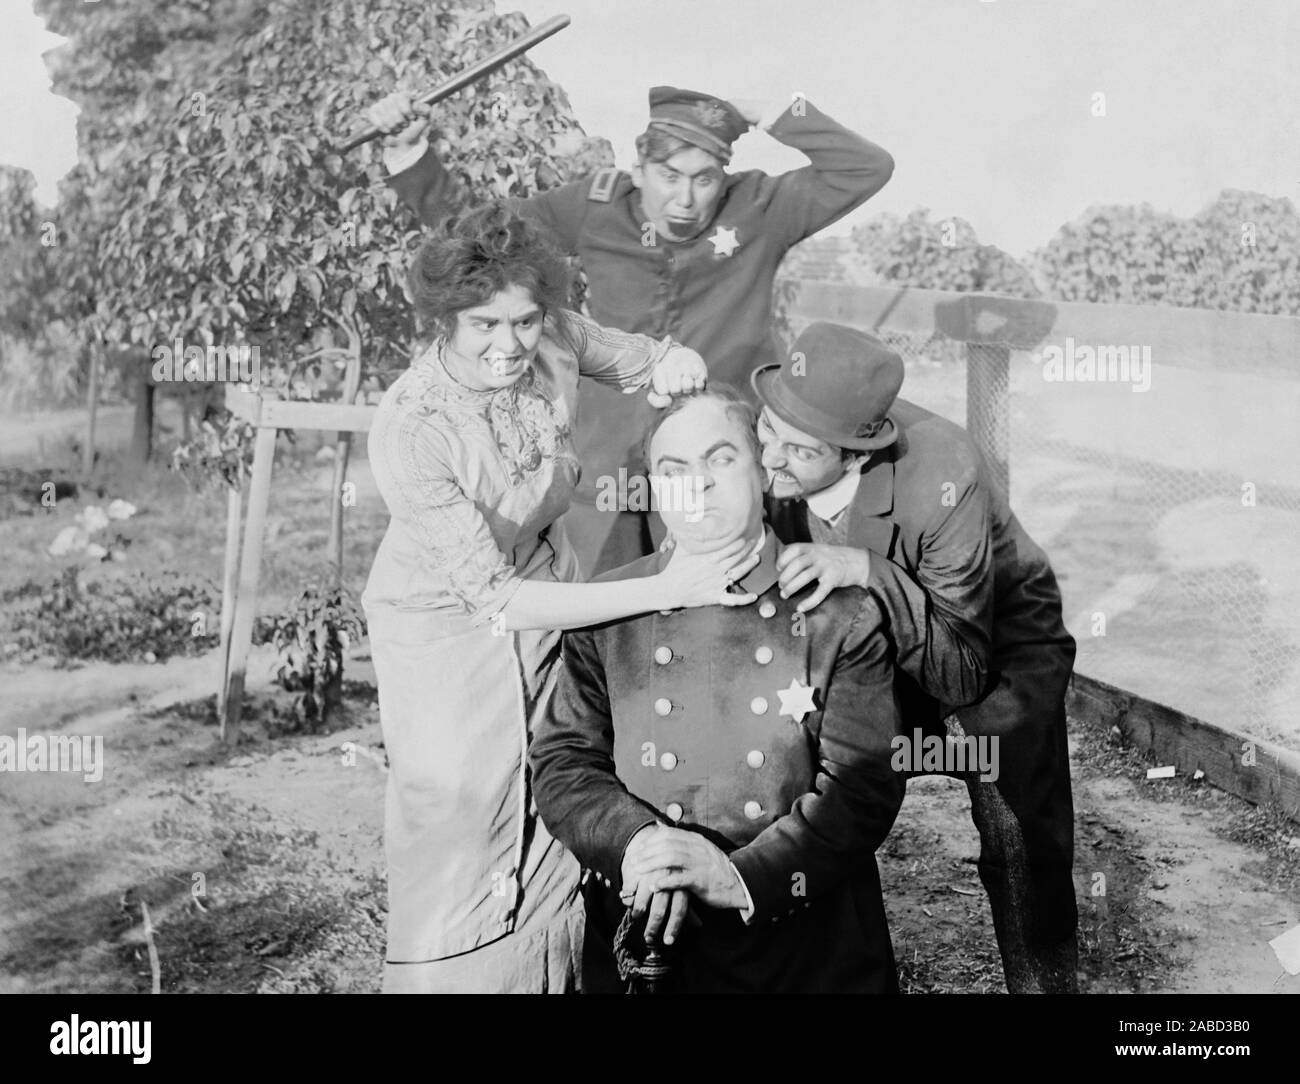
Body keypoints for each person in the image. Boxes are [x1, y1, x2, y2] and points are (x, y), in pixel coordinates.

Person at [362, 202, 762, 994]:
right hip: (446, 620)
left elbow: (644, 361)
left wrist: (675, 360)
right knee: (461, 806)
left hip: (552, 582)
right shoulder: (412, 428)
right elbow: (493, 600)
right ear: (446, 317)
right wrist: (661, 585)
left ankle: (556, 970)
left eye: (523, 319)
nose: (509, 345)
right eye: (483, 324)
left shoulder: (557, 339)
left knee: (561, 772)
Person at [366, 83, 895, 571]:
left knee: (713, 588)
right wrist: (412, 155)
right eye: (669, 176)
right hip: (610, 468)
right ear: (638, 169)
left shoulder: (760, 207)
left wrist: (771, 111)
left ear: (724, 178)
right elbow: (481, 232)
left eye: (705, 178)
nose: (685, 199)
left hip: (713, 457)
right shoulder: (598, 207)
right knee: (601, 609)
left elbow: (865, 168)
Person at [529, 386, 906, 994]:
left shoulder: (839, 613)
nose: (697, 484)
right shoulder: (608, 608)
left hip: (796, 932)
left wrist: (741, 878)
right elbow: (563, 761)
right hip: (648, 922)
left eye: (720, 459)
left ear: (762, 468)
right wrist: (641, 847)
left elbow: (863, 786)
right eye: (673, 470)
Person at [753, 322, 1078, 993]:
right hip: (864, 639)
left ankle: (1045, 984)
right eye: (766, 432)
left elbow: (960, 670)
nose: (769, 462)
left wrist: (865, 568)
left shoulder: (944, 470)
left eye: (799, 451)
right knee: (806, 779)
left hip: (991, 646)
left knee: (1014, 817)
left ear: (856, 456)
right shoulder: (767, 447)